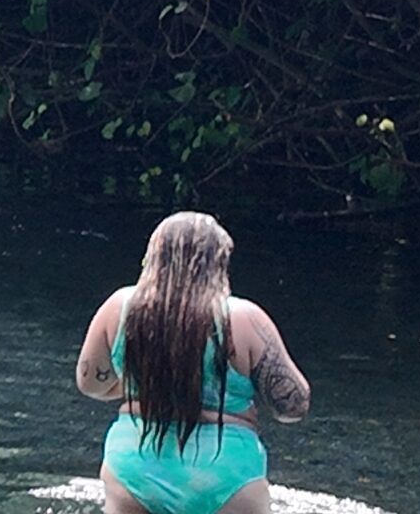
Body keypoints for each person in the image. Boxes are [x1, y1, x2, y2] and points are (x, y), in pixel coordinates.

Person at [75, 212, 311, 514]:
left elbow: (90, 384)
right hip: (225, 469)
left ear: (152, 257)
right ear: (219, 264)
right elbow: (294, 406)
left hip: (134, 465)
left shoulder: (119, 306)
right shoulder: (244, 317)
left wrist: (143, 383)